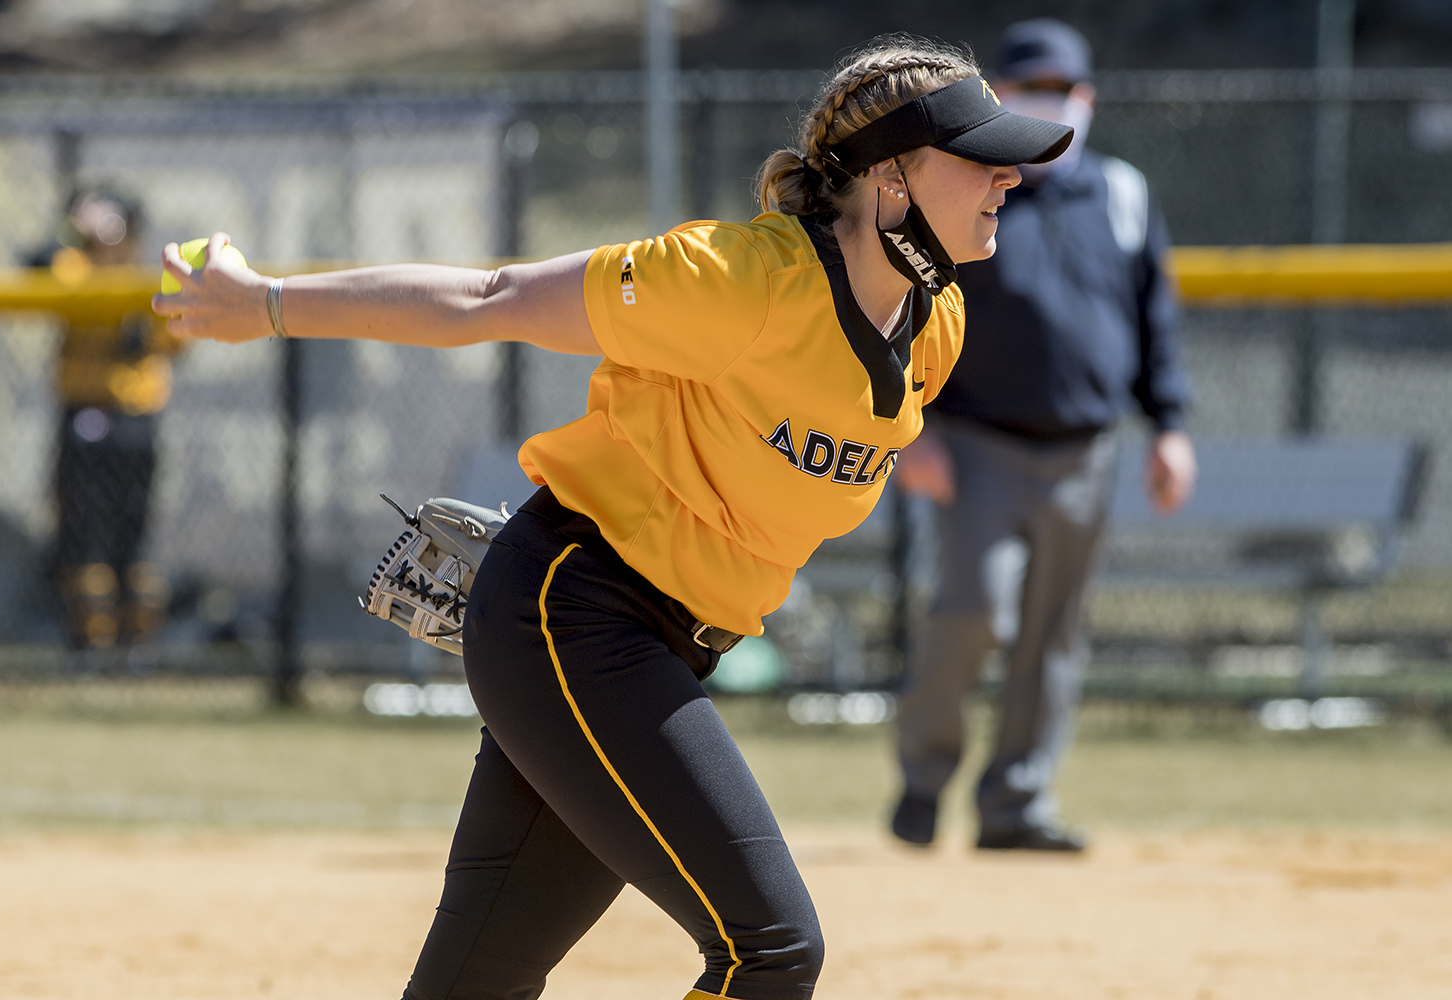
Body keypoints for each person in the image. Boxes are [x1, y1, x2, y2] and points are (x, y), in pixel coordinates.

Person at [154, 37, 1071, 1000]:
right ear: (891, 177)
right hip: (575, 612)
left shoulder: (936, 322)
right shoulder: (740, 280)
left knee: (476, 983)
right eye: (979, 155)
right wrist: (263, 303)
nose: (1009, 175)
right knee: (771, 947)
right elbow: (489, 299)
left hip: (657, 646)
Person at [890, 19, 1197, 852]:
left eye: (1061, 91)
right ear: (996, 98)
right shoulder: (969, 186)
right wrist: (908, 432)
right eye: (1029, 89)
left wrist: (1170, 427)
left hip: (1085, 452)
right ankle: (922, 783)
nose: (1048, 103)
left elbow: (1153, 320)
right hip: (975, 445)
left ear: (1085, 99)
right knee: (972, 613)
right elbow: (907, 318)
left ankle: (1016, 804)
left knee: (1054, 631)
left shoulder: (1122, 193)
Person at [29, 190, 181, 663]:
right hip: (86, 414)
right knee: (83, 536)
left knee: (131, 538)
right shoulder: (74, 268)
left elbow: (178, 343)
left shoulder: (150, 282)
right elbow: (35, 263)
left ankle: (137, 649)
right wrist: (72, 232)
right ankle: (92, 648)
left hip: (134, 418)